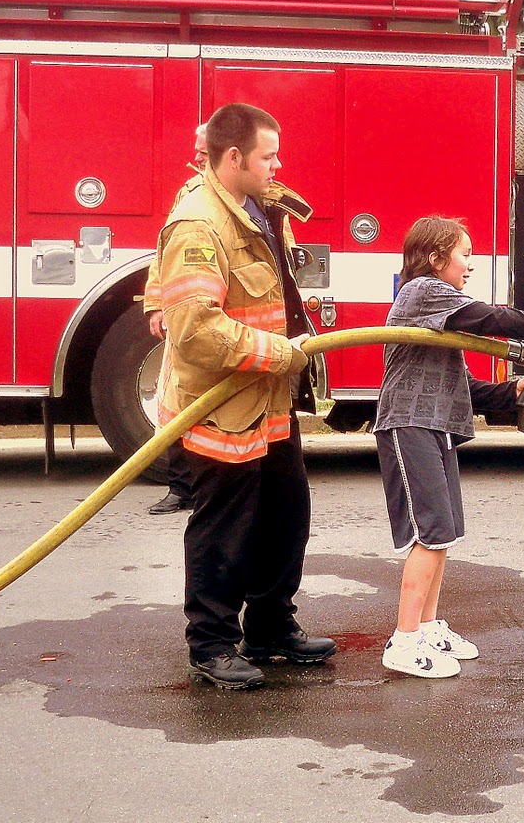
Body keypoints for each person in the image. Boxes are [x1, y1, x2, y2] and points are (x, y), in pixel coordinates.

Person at [155, 103, 335, 689]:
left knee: (285, 514)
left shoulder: (260, 207)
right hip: (222, 404)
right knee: (225, 524)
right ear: (233, 158)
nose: (278, 165)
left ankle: (270, 627)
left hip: (269, 399)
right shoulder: (199, 226)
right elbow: (196, 330)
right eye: (268, 156)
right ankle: (210, 644)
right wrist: (281, 352)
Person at [373, 216, 524, 678]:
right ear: (435, 258)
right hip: (409, 423)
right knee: (429, 532)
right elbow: (492, 317)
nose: (469, 264)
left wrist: (511, 392)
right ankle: (404, 640)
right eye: (464, 254)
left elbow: (461, 385)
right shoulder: (422, 291)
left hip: (435, 426)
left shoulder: (438, 313)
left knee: (442, 533)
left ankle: (426, 628)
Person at [144, 124, 209, 515]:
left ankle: (215, 489)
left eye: (202, 149)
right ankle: (181, 486)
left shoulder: (261, 198)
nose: (196, 156)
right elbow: (163, 250)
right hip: (186, 321)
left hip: (229, 325)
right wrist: (156, 303)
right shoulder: (189, 193)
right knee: (176, 402)